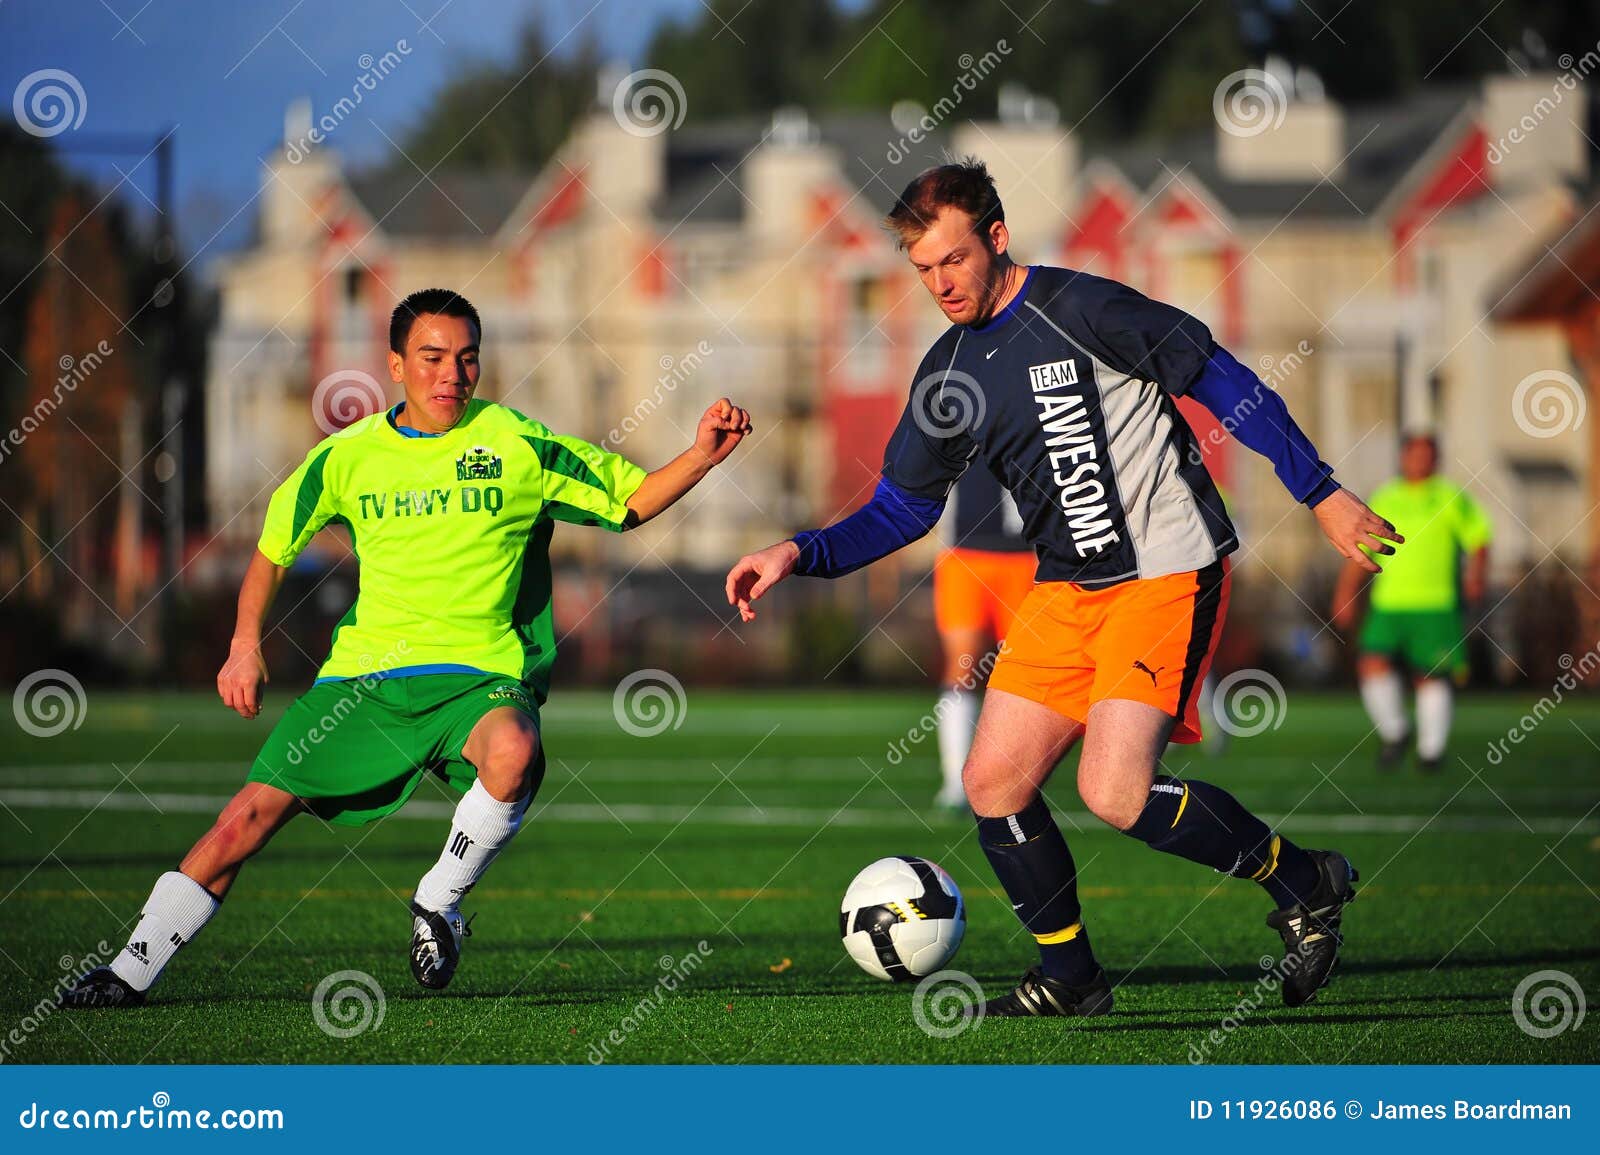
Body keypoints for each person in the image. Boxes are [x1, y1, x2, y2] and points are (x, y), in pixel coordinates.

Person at [726, 161, 1401, 1017]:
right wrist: (799, 550)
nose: (940, 283)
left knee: (1114, 793)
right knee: (993, 782)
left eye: (955, 260)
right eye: (924, 269)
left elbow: (1220, 376)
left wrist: (1322, 492)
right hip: (1068, 588)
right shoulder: (947, 376)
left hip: (1166, 570)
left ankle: (1305, 881)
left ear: (997, 237)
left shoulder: (1085, 309)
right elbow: (901, 509)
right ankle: (1071, 976)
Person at [61, 287, 751, 1007]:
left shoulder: (517, 443)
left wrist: (701, 455)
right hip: (362, 687)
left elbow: (629, 500)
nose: (451, 374)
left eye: (467, 358)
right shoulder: (346, 458)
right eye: (432, 357)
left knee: (516, 750)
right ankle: (129, 969)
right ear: (394, 365)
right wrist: (243, 643)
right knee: (244, 819)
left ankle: (437, 900)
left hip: (478, 680)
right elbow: (270, 549)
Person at [1331, 433, 1491, 773]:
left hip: (1436, 603)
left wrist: (1476, 574)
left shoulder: (1450, 496)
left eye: (1426, 454)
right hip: (1389, 603)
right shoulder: (1386, 496)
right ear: (1403, 457)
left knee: (1430, 674)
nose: (1419, 460)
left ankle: (1431, 752)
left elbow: (1479, 538)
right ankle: (1396, 731)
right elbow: (1362, 545)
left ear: (1436, 459)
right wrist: (1346, 592)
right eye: (1413, 454)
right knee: (1371, 662)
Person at [932, 464, 1034, 810]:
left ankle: (1017, 780)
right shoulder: (952, 411)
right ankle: (955, 783)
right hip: (966, 553)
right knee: (963, 664)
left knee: (1026, 670)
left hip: (1026, 556)